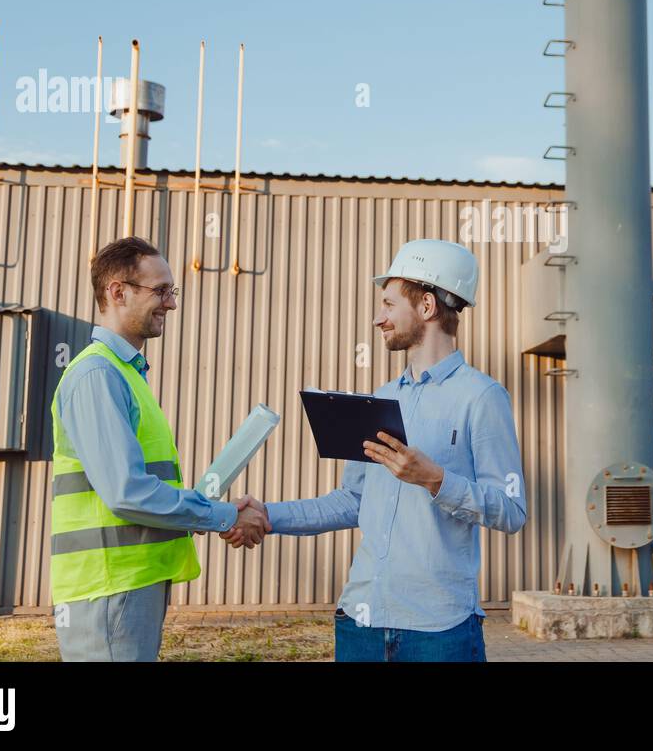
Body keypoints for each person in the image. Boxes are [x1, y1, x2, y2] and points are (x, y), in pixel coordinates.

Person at [225, 238, 526, 661]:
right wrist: (268, 515)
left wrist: (436, 480)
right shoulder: (380, 399)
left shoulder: (483, 397)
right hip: (361, 622)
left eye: (388, 305)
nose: (377, 318)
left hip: (438, 633)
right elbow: (353, 501)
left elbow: (512, 511)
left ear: (426, 306)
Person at [51, 236, 270, 661]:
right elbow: (127, 492)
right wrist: (225, 515)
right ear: (118, 292)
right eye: (161, 291)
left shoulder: (124, 374)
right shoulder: (98, 376)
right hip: (110, 588)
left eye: (173, 291)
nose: (171, 303)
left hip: (127, 585)